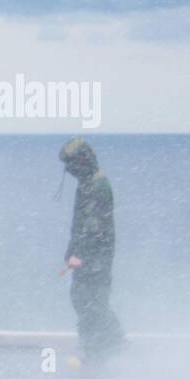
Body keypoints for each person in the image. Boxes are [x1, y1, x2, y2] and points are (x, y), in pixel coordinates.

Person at [59, 136, 125, 361]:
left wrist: (80, 255)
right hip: (88, 259)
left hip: (96, 261)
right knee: (85, 301)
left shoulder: (98, 185)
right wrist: (71, 251)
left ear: (83, 161)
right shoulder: (87, 184)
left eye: (72, 164)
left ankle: (107, 347)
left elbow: (93, 227)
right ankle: (96, 347)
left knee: (93, 304)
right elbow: (79, 226)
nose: (68, 170)